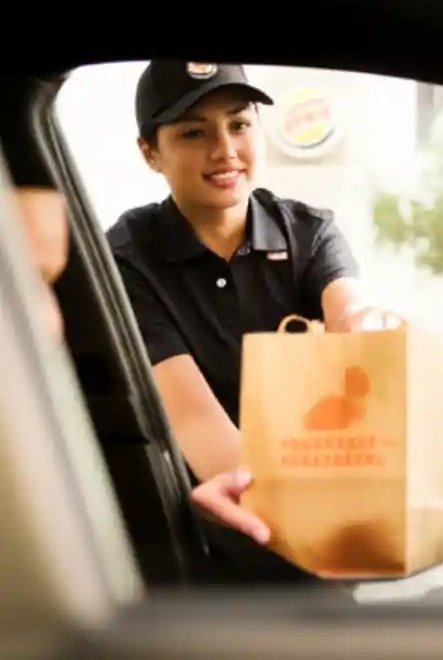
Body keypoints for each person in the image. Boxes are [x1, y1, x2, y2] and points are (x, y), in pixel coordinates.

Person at [105, 60, 397, 569]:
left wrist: (368, 331)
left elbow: (349, 308)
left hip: (322, 521)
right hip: (200, 539)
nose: (225, 151)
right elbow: (191, 414)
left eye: (239, 124)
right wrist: (298, 513)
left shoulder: (308, 232)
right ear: (150, 153)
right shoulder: (129, 256)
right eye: (194, 132)